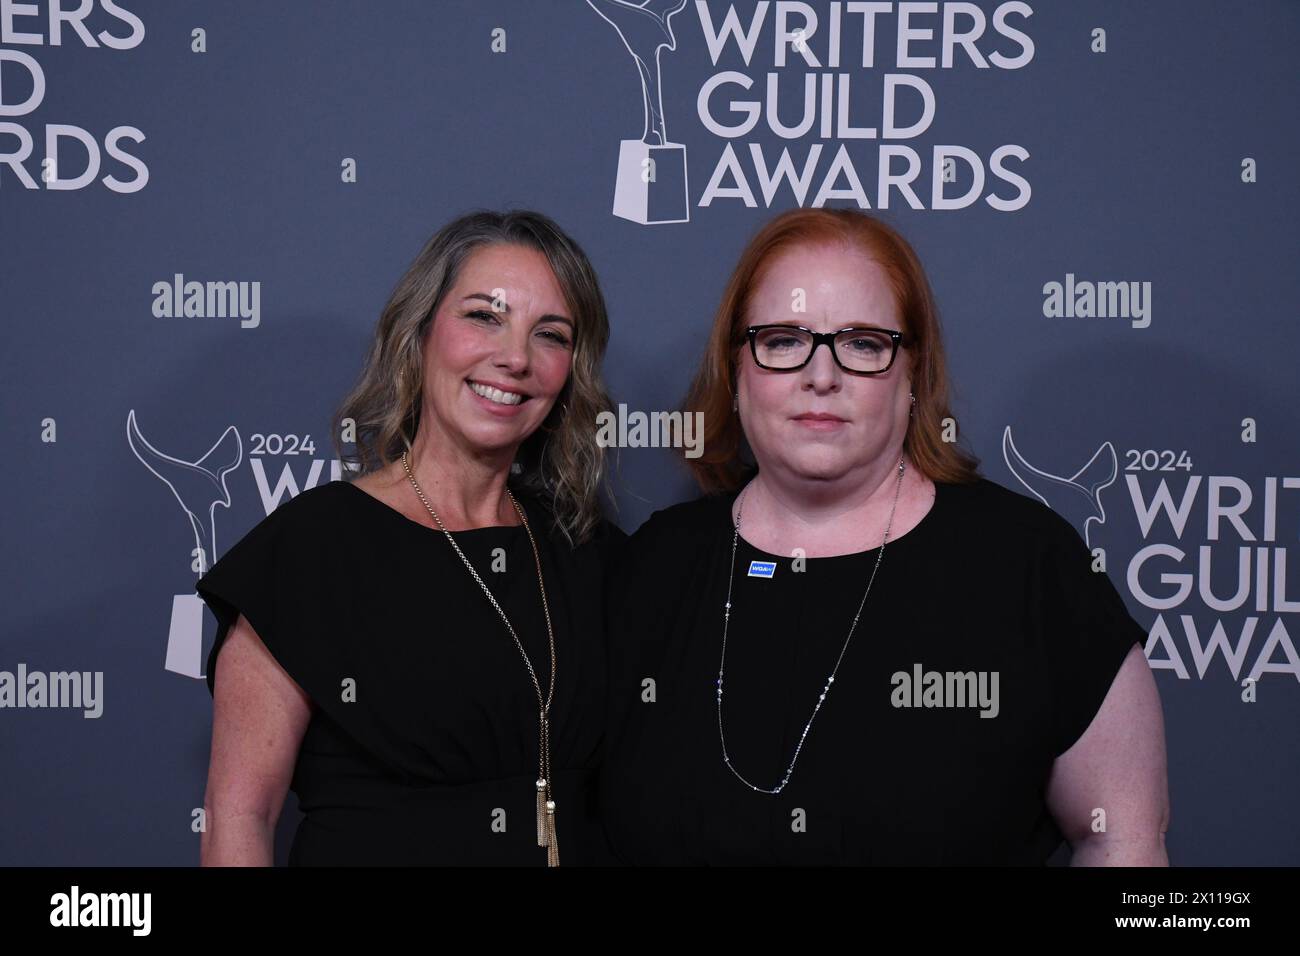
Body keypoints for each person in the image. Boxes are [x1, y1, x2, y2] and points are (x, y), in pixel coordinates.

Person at [598, 207, 1169, 865]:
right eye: (783, 339)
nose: (821, 375)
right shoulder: (656, 567)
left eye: (863, 343)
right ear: (735, 367)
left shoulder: (1028, 568)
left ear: (913, 372)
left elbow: (1119, 837)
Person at [196, 209, 623, 865]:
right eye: (485, 316)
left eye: (551, 334)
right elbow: (241, 819)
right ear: (419, 334)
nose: (514, 357)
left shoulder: (585, 550)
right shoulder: (311, 551)